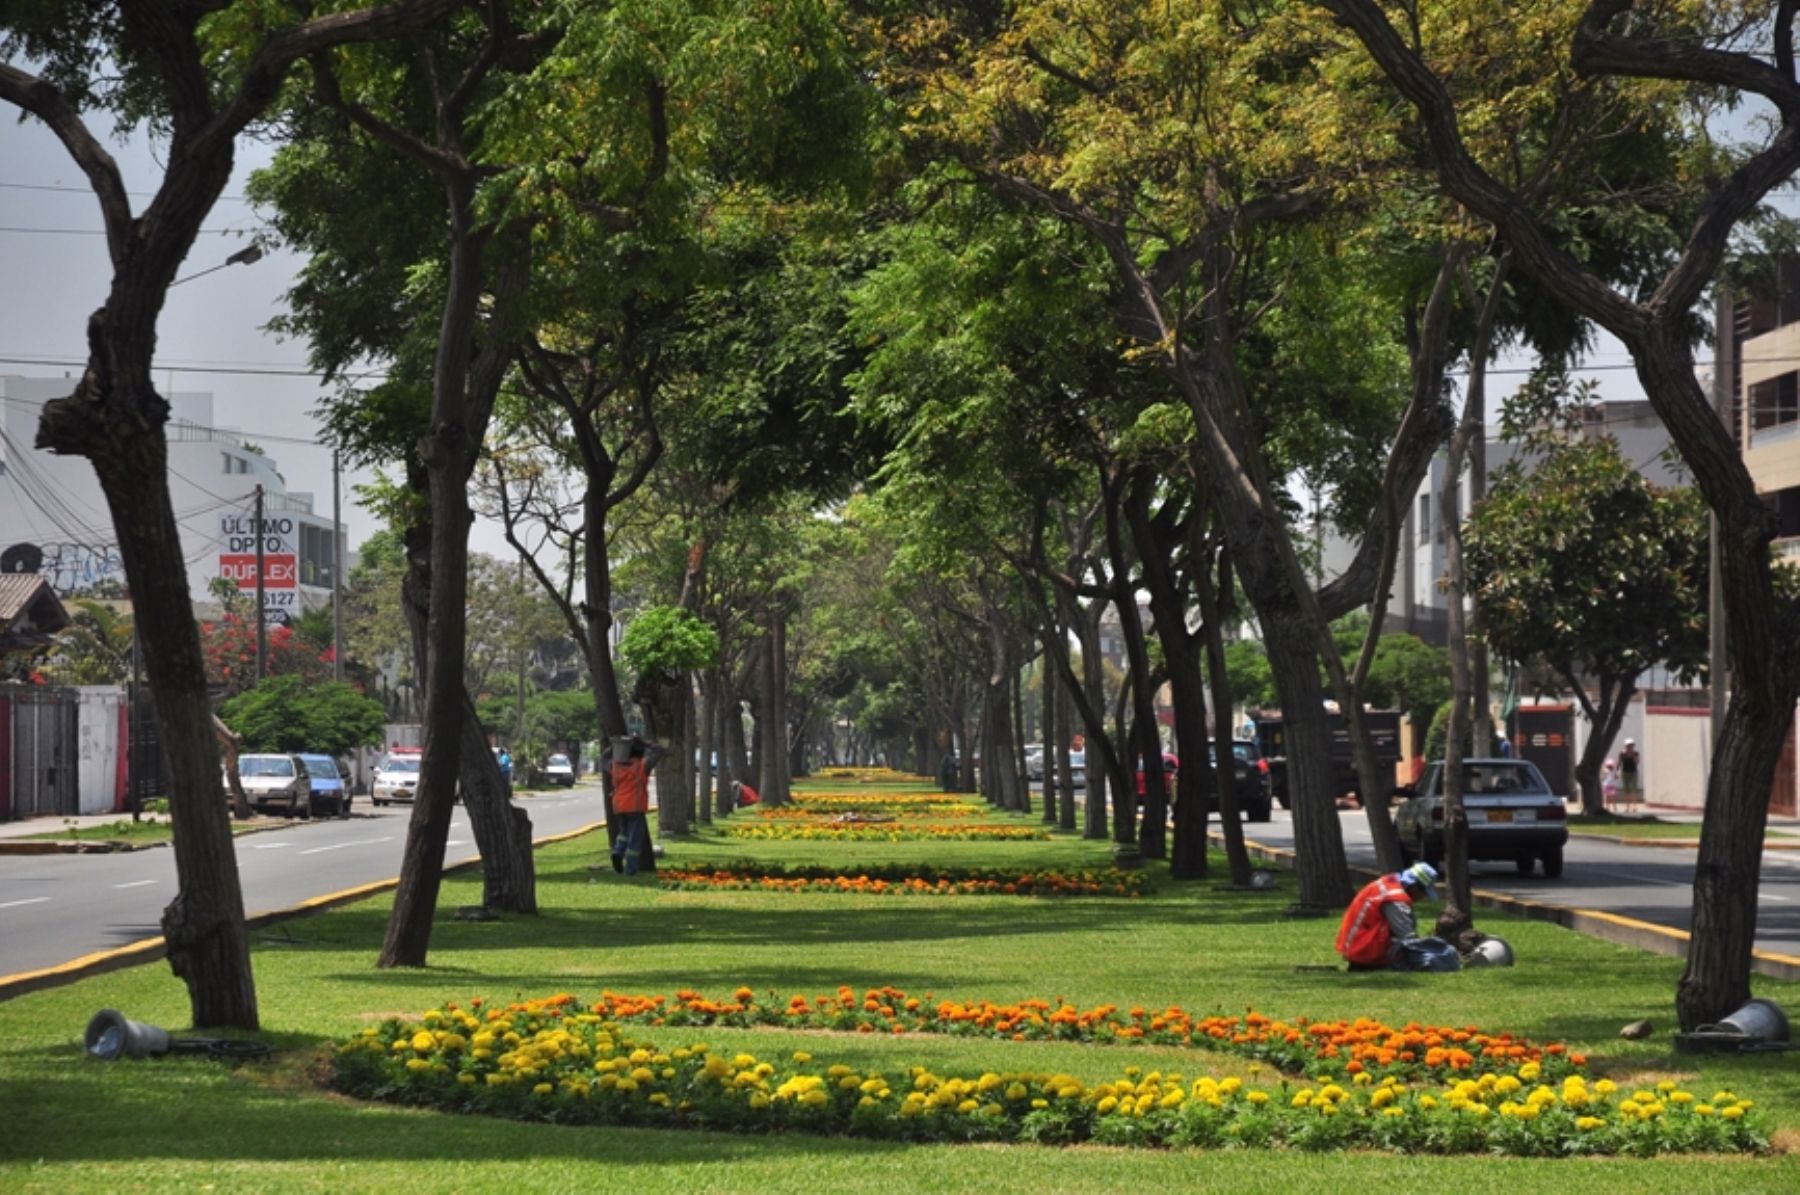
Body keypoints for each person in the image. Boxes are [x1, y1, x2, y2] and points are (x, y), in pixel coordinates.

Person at [1336, 863, 1458, 971]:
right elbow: (1407, 937)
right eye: (1424, 893)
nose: (1423, 897)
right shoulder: (1396, 900)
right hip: (1364, 949)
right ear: (1414, 887)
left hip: (1356, 945)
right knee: (1411, 949)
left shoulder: (1391, 882)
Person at [608, 734, 666, 875]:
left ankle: (618, 851)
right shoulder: (642, 766)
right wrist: (645, 743)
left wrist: (616, 745)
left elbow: (604, 757)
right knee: (635, 839)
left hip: (619, 806)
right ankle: (630, 869)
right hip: (635, 806)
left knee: (623, 833)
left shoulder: (615, 766)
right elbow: (659, 751)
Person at [1618, 739, 1640, 808]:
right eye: (1628, 745)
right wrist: (1617, 771)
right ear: (1625, 746)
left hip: (1633, 772)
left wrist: (1632, 755)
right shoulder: (1622, 753)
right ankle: (1627, 806)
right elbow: (1619, 762)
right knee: (1626, 789)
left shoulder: (1636, 753)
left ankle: (1634, 806)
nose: (1630, 747)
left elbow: (1637, 762)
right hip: (1625, 772)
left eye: (1631, 745)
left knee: (1633, 788)